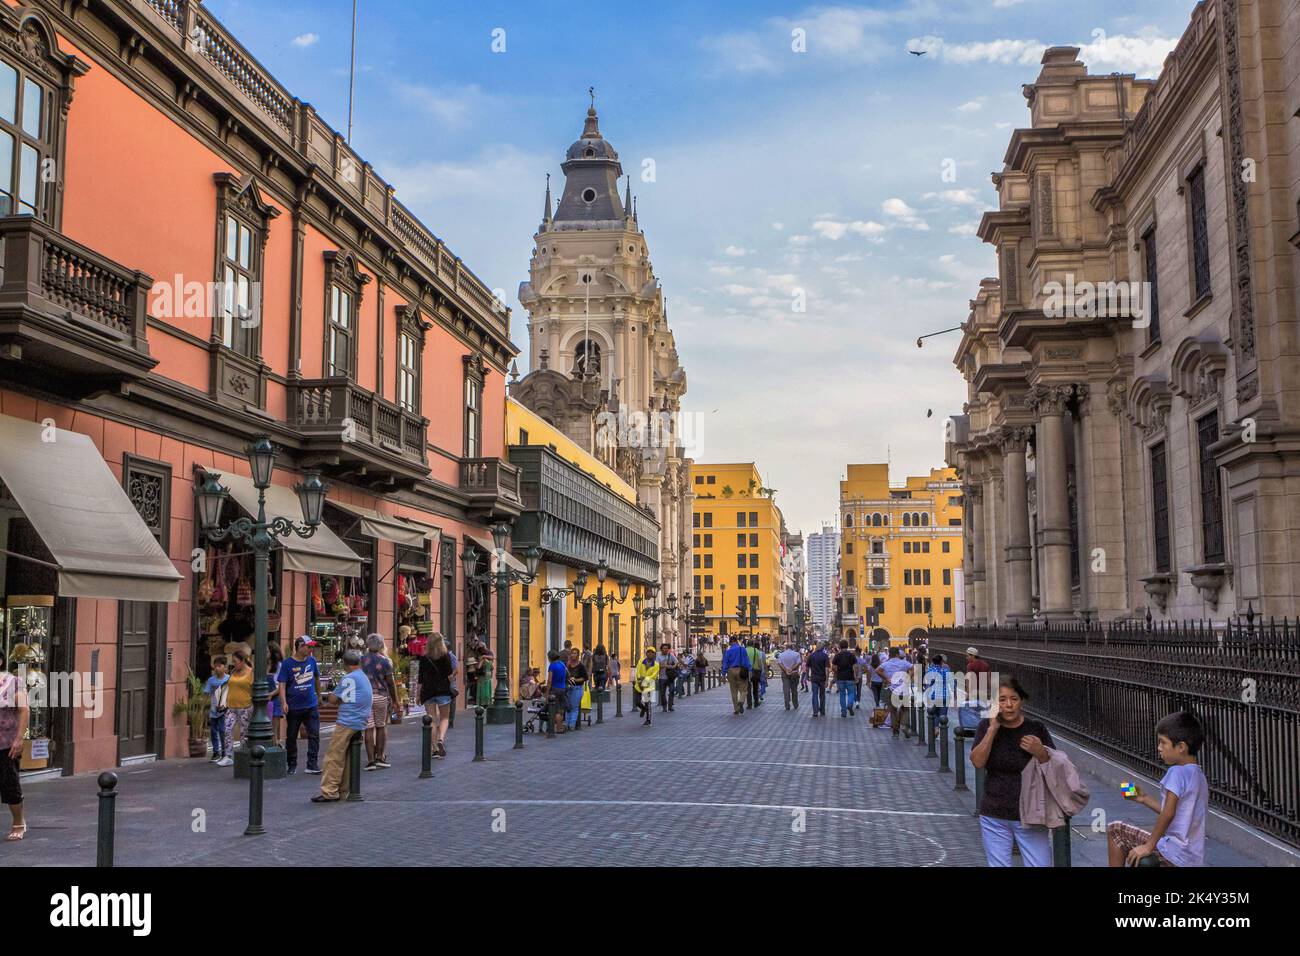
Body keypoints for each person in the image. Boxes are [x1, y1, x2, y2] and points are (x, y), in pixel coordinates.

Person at [970, 676, 1055, 866]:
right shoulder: (986, 726)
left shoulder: (1036, 728)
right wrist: (992, 730)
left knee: (1039, 864)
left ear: (1021, 701)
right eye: (1002, 700)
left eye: (1014, 699)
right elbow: (977, 762)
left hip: (1031, 814)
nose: (1008, 705)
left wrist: (1041, 752)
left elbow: (1057, 768)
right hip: (994, 813)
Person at [1107, 711, 1208, 867]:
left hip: (1172, 853)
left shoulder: (1176, 772)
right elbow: (1177, 813)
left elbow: (1168, 813)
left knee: (1115, 830)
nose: (1159, 748)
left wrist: (1149, 846)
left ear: (1181, 747)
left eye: (1163, 742)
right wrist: (1144, 798)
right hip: (1190, 858)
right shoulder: (1198, 775)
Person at [312, 650, 372, 803]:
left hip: (347, 721)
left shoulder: (348, 678)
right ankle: (343, 790)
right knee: (346, 757)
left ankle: (329, 791)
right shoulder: (363, 677)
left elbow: (332, 699)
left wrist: (334, 695)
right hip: (360, 721)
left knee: (333, 757)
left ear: (345, 664)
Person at [278, 636, 322, 775]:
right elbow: (282, 685)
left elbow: (316, 678)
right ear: (300, 646)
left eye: (311, 647)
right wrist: (284, 702)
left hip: (311, 704)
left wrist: (319, 695)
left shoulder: (312, 661)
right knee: (291, 736)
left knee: (314, 734)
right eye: (308, 647)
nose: (311, 649)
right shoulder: (287, 664)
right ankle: (291, 764)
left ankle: (312, 763)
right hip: (294, 706)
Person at [0, 650, 29, 841]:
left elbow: (24, 709)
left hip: (5, 743)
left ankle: (19, 822)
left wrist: (19, 738)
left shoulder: (12, 682)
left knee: (9, 784)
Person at [361, 634, 398, 771]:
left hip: (365, 697)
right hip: (381, 696)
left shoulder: (361, 660)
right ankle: (380, 757)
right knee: (381, 726)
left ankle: (370, 760)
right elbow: (391, 683)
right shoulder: (386, 661)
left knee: (368, 728)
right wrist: (396, 701)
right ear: (381, 645)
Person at [418, 634, 455, 758]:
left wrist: (418, 695)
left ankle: (434, 749)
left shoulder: (424, 658)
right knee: (444, 718)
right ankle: (440, 740)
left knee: (432, 720)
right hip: (443, 691)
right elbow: (449, 674)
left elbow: (420, 679)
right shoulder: (446, 657)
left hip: (428, 692)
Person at [218, 649, 254, 767]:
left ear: (243, 661)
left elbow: (254, 689)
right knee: (227, 730)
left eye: (236, 661)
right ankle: (228, 756)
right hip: (231, 707)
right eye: (233, 661)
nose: (234, 663)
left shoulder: (251, 672)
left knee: (244, 733)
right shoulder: (233, 671)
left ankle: (244, 755)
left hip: (245, 707)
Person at [876, 648, 913, 737]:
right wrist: (909, 676)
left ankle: (895, 731)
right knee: (905, 709)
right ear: (897, 654)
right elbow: (914, 668)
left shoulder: (886, 664)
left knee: (893, 711)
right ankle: (904, 725)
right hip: (903, 689)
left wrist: (886, 678)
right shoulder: (904, 663)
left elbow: (877, 670)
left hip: (891, 689)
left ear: (889, 654)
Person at [203, 656, 230, 763]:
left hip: (225, 709)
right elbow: (206, 693)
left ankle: (224, 751)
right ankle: (215, 752)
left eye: (220, 666)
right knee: (214, 731)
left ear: (225, 667)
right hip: (214, 710)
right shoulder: (211, 680)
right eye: (216, 666)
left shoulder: (228, 679)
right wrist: (204, 708)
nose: (217, 668)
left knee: (223, 730)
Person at [721, 635, 750, 715]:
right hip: (741, 670)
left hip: (731, 671)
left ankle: (736, 709)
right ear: (737, 641)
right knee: (744, 689)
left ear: (731, 642)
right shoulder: (742, 649)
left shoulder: (728, 651)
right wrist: (750, 670)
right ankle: (741, 701)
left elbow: (725, 663)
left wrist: (723, 674)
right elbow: (746, 661)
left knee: (733, 691)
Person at [633, 646, 659, 725]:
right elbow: (637, 670)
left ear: (654, 654)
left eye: (652, 653)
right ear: (646, 653)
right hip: (639, 684)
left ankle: (648, 719)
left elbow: (654, 676)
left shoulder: (656, 664)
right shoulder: (641, 661)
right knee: (637, 701)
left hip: (649, 685)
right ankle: (643, 708)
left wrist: (644, 679)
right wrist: (638, 679)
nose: (650, 654)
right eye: (648, 652)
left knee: (647, 702)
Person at [831, 640, 858, 718]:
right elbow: (855, 667)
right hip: (850, 677)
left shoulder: (837, 655)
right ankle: (849, 705)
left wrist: (836, 674)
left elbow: (833, 667)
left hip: (840, 678)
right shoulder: (851, 655)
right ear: (847, 645)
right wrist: (856, 676)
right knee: (851, 693)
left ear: (840, 646)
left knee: (842, 694)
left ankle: (843, 712)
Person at [545, 650, 569, 734]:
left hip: (555, 689)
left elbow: (550, 680)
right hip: (563, 688)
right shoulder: (562, 664)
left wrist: (547, 693)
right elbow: (567, 675)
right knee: (561, 709)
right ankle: (560, 726)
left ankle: (558, 728)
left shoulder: (552, 666)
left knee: (556, 710)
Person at [565, 647, 589, 730]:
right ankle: (566, 724)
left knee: (574, 707)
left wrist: (576, 679)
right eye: (572, 653)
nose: (573, 655)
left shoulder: (581, 666)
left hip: (577, 688)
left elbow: (585, 677)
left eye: (575, 653)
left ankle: (572, 724)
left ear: (578, 655)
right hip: (569, 687)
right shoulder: (568, 665)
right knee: (568, 707)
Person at [266, 642, 284, 745]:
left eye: (267, 651)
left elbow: (281, 685)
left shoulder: (279, 666)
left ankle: (274, 745)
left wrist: (271, 694)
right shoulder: (263, 665)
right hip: (265, 698)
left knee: (273, 727)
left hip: (275, 698)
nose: (265, 654)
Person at [806, 642, 830, 717]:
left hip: (814, 678)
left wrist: (807, 675)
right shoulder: (825, 656)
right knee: (822, 695)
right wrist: (827, 680)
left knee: (815, 695)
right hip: (822, 678)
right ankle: (822, 711)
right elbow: (827, 669)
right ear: (823, 648)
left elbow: (807, 666)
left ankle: (815, 711)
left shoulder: (811, 655)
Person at [776, 643, 801, 710]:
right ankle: (795, 704)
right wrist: (791, 669)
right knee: (794, 690)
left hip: (785, 674)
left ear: (786, 648)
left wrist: (786, 669)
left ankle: (787, 705)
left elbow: (779, 663)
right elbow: (799, 663)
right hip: (794, 673)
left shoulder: (781, 655)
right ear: (792, 647)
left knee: (786, 690)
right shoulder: (796, 654)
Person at [656, 643, 680, 712]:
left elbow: (676, 662)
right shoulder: (658, 657)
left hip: (670, 677)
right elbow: (656, 665)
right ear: (661, 649)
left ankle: (670, 706)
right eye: (664, 648)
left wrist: (673, 666)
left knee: (672, 691)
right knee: (662, 693)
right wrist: (665, 666)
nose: (665, 649)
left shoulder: (671, 655)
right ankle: (664, 706)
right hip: (662, 677)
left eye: (667, 648)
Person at [745, 640, 765, 709]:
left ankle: (749, 704)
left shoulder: (744, 650)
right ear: (753, 644)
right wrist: (761, 669)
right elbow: (760, 661)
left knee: (748, 688)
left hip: (746, 671)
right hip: (755, 671)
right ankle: (756, 702)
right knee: (755, 687)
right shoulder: (756, 651)